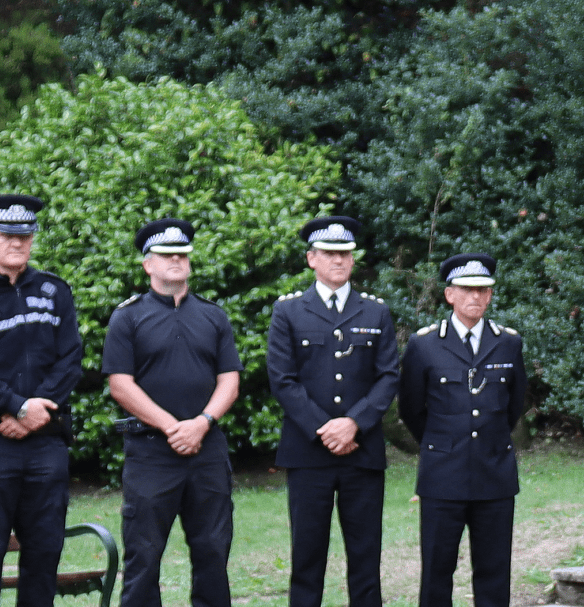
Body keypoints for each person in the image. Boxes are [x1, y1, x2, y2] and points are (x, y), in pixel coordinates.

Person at [101, 218, 243, 607]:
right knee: (144, 557)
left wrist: (201, 423)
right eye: (166, 255)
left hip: (207, 451)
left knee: (213, 552)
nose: (176, 260)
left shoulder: (214, 316)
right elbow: (120, 384)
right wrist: (171, 427)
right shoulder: (127, 317)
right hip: (151, 454)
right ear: (148, 264)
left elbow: (229, 379)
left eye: (182, 254)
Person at [0, 194, 82, 606]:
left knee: (44, 553)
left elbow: (70, 359)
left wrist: (35, 411)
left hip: (45, 444)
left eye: (25, 236)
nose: (17, 244)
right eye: (7, 236)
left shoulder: (54, 291)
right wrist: (16, 406)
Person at [266, 215, 399, 607]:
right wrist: (326, 428)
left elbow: (389, 376)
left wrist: (353, 424)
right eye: (329, 253)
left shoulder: (375, 312)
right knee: (307, 556)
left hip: (362, 451)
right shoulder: (288, 311)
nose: (338, 260)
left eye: (345, 253)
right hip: (308, 453)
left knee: (365, 555)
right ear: (312, 259)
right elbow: (282, 379)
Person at [399, 253, 526, 607]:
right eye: (467, 290)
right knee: (437, 571)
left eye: (483, 290)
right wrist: (442, 444)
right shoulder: (424, 345)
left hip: (494, 474)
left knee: (494, 571)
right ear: (449, 295)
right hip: (443, 475)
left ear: (490, 295)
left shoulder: (508, 343)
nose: (476, 297)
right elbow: (411, 408)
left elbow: (513, 405)